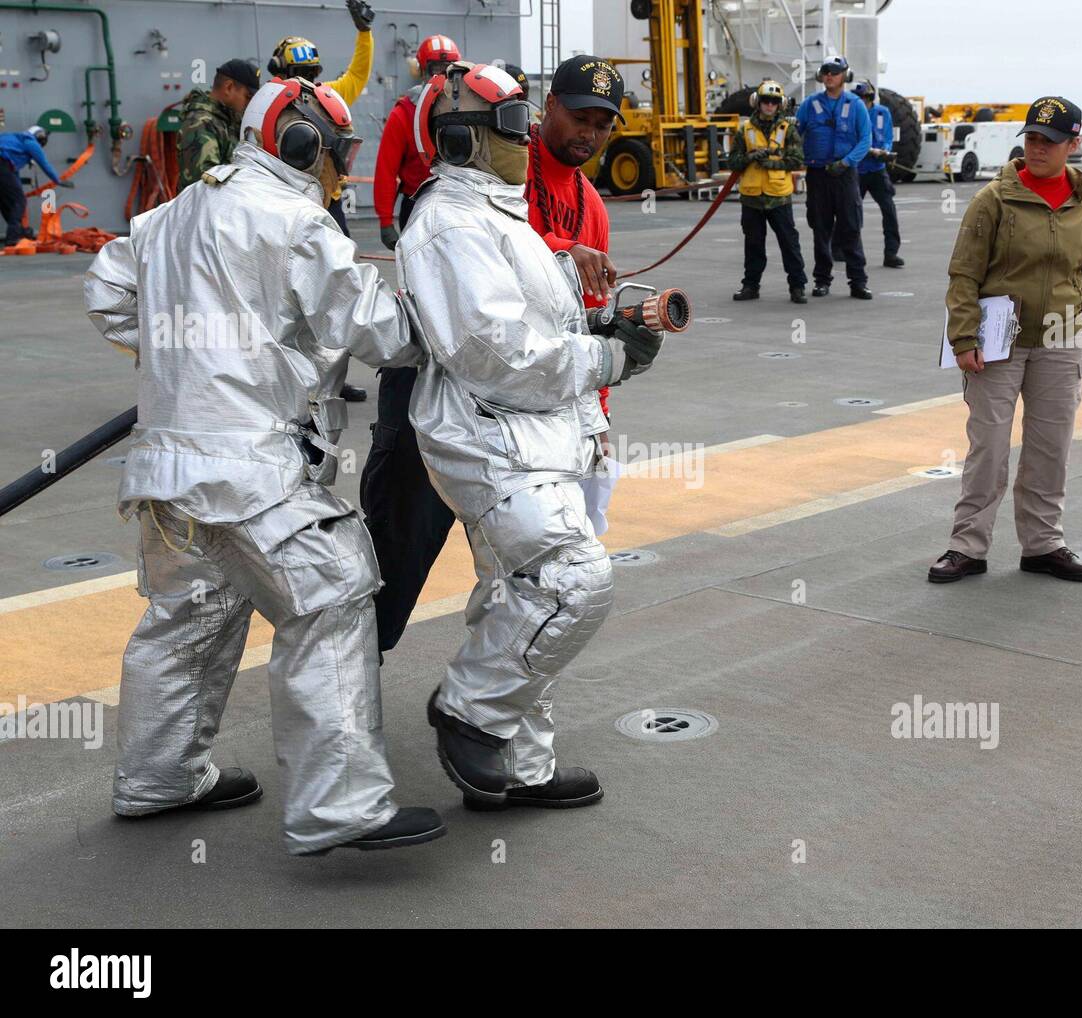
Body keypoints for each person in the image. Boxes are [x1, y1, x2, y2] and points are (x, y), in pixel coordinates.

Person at [82, 77, 443, 855]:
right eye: (336, 153)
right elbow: (382, 332)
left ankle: (159, 779)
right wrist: (443, 325)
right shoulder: (292, 220)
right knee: (333, 590)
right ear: (299, 140)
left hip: (166, 468)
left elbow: (108, 291)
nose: (338, 171)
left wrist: (178, 357)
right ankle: (342, 806)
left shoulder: (170, 215)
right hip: (246, 465)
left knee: (190, 616)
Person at [399, 62, 664, 810]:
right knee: (573, 581)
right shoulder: (452, 223)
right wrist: (608, 356)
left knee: (520, 594)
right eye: (517, 125)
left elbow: (543, 324)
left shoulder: (499, 215)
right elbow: (498, 356)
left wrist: (602, 328)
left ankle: (520, 768)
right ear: (468, 138)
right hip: (494, 442)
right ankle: (469, 711)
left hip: (541, 436)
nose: (534, 139)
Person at [358, 53, 623, 656]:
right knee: (392, 562)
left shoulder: (594, 207)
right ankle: (342, 713)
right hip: (438, 392)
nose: (589, 133)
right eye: (579, 116)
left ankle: (489, 723)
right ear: (546, 107)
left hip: (527, 418)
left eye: (603, 124)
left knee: (532, 582)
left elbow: (583, 322)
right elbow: (474, 255)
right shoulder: (492, 159)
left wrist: (595, 419)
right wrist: (562, 249)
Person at [929, 96, 1082, 584]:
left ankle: (1043, 544)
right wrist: (964, 337)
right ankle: (966, 546)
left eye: (1049, 142)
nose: (1037, 148)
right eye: (1031, 138)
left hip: (1060, 341)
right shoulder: (993, 199)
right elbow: (963, 274)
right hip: (997, 345)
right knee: (987, 446)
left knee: (1050, 447)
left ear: (1073, 144)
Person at [267, 0, 376, 402]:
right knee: (284, 295)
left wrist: (365, 34)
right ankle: (284, 372)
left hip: (327, 207)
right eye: (297, 74)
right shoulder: (268, 108)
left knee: (333, 293)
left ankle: (330, 375)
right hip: (283, 210)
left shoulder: (328, 98)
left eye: (309, 74)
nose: (305, 82)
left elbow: (358, 74)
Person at [374, 34, 460, 251]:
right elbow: (386, 169)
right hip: (417, 208)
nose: (442, 76)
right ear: (423, 71)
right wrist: (385, 221)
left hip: (459, 204)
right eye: (436, 69)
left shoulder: (470, 109)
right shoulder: (403, 113)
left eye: (449, 70)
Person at [795, 56, 872, 299]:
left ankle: (858, 281)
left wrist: (846, 162)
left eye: (835, 72)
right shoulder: (809, 104)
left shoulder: (856, 105)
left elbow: (865, 140)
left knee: (850, 227)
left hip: (845, 175)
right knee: (821, 228)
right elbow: (795, 134)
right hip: (818, 175)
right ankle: (822, 281)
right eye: (826, 71)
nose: (830, 75)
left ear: (844, 76)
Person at [728, 80, 808, 304]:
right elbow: (732, 161)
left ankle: (797, 286)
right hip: (752, 198)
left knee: (789, 244)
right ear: (757, 102)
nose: (769, 105)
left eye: (774, 101)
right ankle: (750, 286)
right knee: (753, 246)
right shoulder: (745, 130)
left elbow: (797, 160)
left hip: (778, 198)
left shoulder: (787, 130)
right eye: (765, 101)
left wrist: (770, 163)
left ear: (780, 104)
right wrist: (750, 157)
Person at [177, 59, 261, 191]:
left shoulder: (228, 121)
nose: (250, 103)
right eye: (248, 96)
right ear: (228, 87)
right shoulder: (201, 123)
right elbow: (204, 184)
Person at [853, 80, 904, 268]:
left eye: (863, 99)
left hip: (877, 170)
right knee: (850, 212)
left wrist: (885, 151)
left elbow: (888, 136)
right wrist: (869, 151)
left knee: (889, 210)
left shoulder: (883, 112)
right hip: (857, 170)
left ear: (869, 98)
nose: (860, 103)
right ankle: (841, 248)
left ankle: (891, 253)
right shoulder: (852, 115)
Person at [1, 126, 72, 245]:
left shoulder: (14, 138)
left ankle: (20, 232)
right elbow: (44, 164)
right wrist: (58, 180)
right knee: (19, 201)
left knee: (5, 201)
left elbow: (14, 171)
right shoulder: (31, 142)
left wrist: (18, 189)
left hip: (5, 167)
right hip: (2, 167)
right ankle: (13, 238)